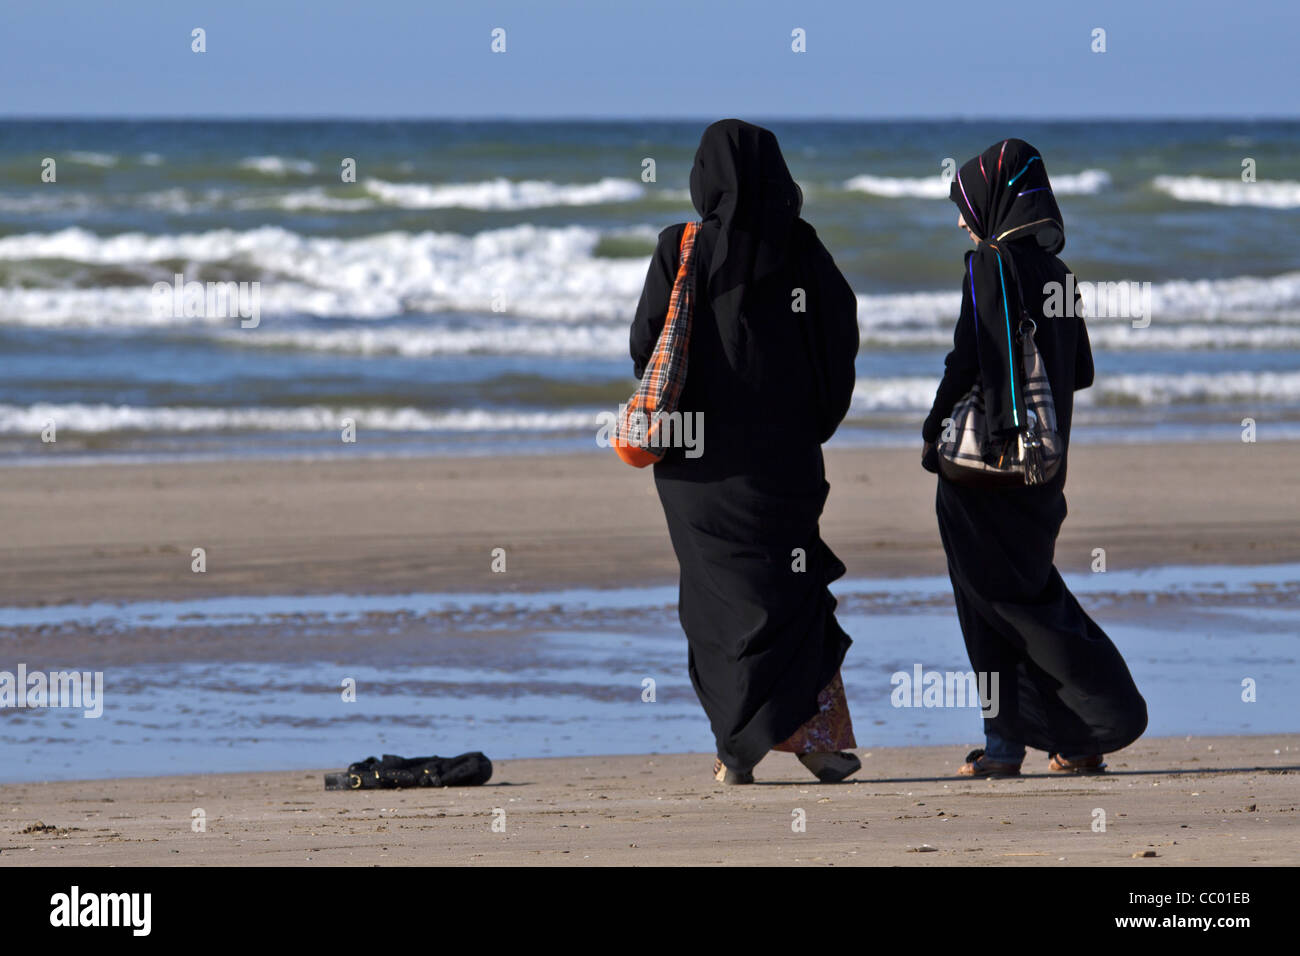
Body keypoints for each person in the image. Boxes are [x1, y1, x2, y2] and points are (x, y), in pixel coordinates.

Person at [629, 119, 861, 784]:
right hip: (783, 463)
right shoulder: (804, 250)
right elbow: (837, 345)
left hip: (696, 472)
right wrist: (812, 421)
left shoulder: (682, 247)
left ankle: (738, 749)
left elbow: (649, 345)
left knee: (717, 605)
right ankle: (818, 742)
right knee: (791, 594)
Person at [921, 139, 1147, 777]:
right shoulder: (1060, 276)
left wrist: (935, 426)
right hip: (1044, 475)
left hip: (985, 474)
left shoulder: (989, 265)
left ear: (993, 206)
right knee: (1030, 596)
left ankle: (1015, 742)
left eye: (967, 208)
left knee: (986, 611)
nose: (964, 222)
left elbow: (972, 360)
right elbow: (1078, 373)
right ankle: (1076, 737)